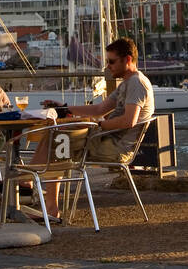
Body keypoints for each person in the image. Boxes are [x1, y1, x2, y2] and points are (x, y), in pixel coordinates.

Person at [35, 37, 153, 219]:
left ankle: (28, 184)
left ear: (128, 59)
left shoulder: (137, 83)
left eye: (112, 61)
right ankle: (35, 188)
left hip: (114, 147)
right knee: (57, 134)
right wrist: (65, 108)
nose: (108, 66)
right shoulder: (127, 84)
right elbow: (99, 108)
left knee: (58, 137)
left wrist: (97, 124)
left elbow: (129, 120)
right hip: (106, 139)